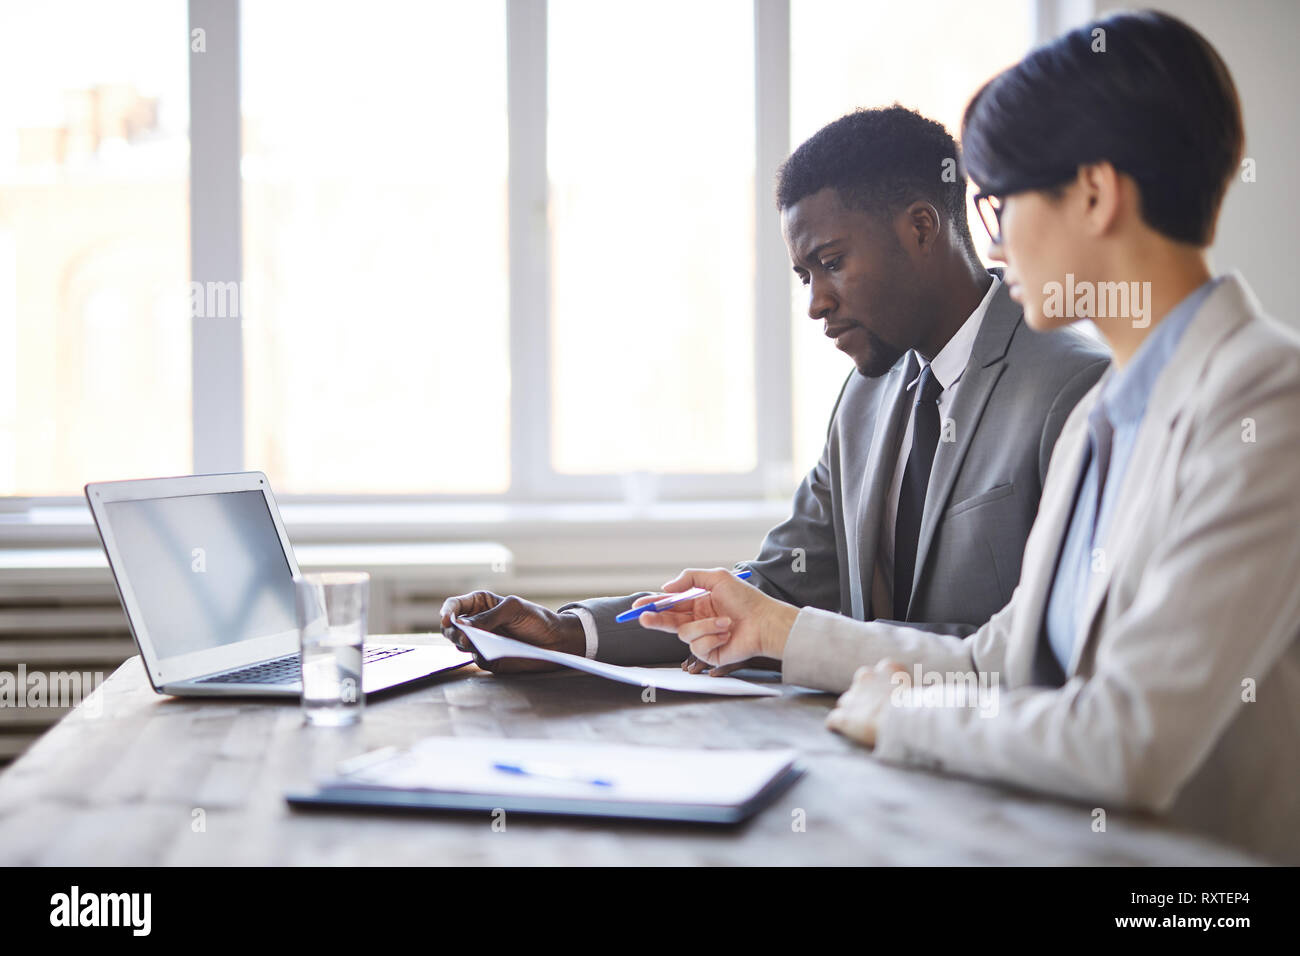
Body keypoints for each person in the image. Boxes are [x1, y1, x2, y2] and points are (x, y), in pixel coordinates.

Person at [636, 10, 1300, 862]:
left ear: (1094, 196)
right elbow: (999, 663)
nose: (989, 240)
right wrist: (775, 632)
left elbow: (1129, 739)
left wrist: (908, 715)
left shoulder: (1268, 398)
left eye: (997, 202)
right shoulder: (1113, 411)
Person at [441, 106, 1108, 672]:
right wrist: (572, 635)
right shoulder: (865, 397)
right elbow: (778, 584)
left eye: (832, 262)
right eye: (803, 276)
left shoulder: (1073, 386)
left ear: (922, 228)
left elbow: (1042, 653)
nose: (816, 303)